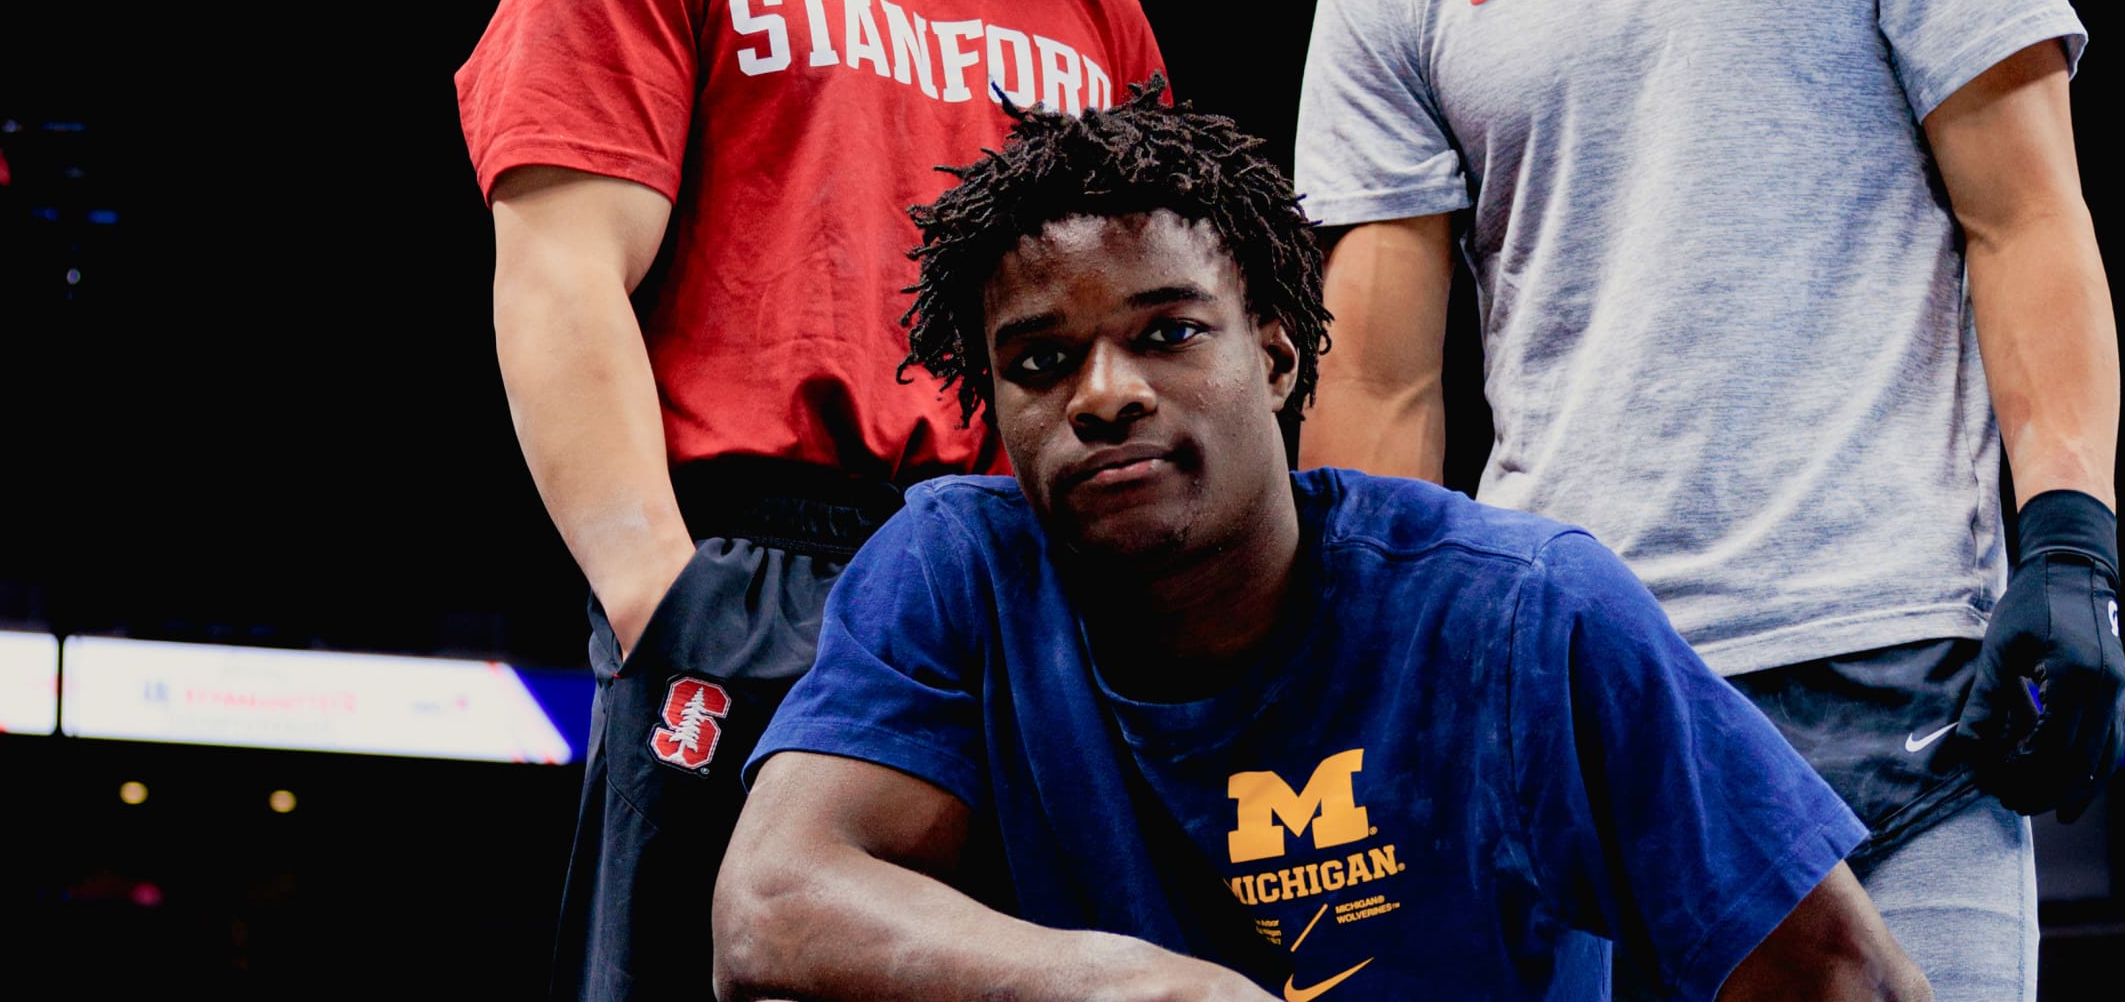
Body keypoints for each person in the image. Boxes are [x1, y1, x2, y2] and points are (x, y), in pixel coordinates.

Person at [1288, 0, 2125, 999]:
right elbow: (1379, 394)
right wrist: (1360, 698)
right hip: (1568, 695)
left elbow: (2023, 218)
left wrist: (2074, 547)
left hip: (1898, 665)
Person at [454, 0, 1170, 1000]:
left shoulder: (1093, 12)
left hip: (1037, 585)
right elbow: (558, 272)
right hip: (760, 561)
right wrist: (662, 594)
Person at [711, 89, 1936, 1001]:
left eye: (1169, 332)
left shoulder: (1520, 612)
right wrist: (1148, 987)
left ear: (1282, 357)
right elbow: (772, 904)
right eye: (1040, 362)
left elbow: (1842, 975)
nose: (1105, 392)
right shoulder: (955, 572)